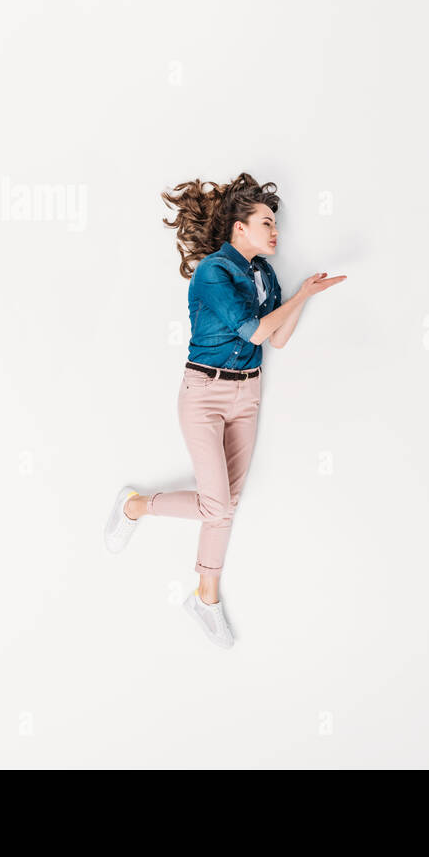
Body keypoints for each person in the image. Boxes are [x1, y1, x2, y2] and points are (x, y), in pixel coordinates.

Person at [103, 172, 346, 647]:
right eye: (266, 222)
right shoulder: (214, 271)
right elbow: (252, 332)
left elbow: (278, 338)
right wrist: (302, 296)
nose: (275, 232)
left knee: (225, 506)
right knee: (217, 504)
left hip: (248, 394)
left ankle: (205, 596)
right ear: (239, 227)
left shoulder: (266, 275)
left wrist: (299, 298)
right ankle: (134, 508)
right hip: (205, 393)